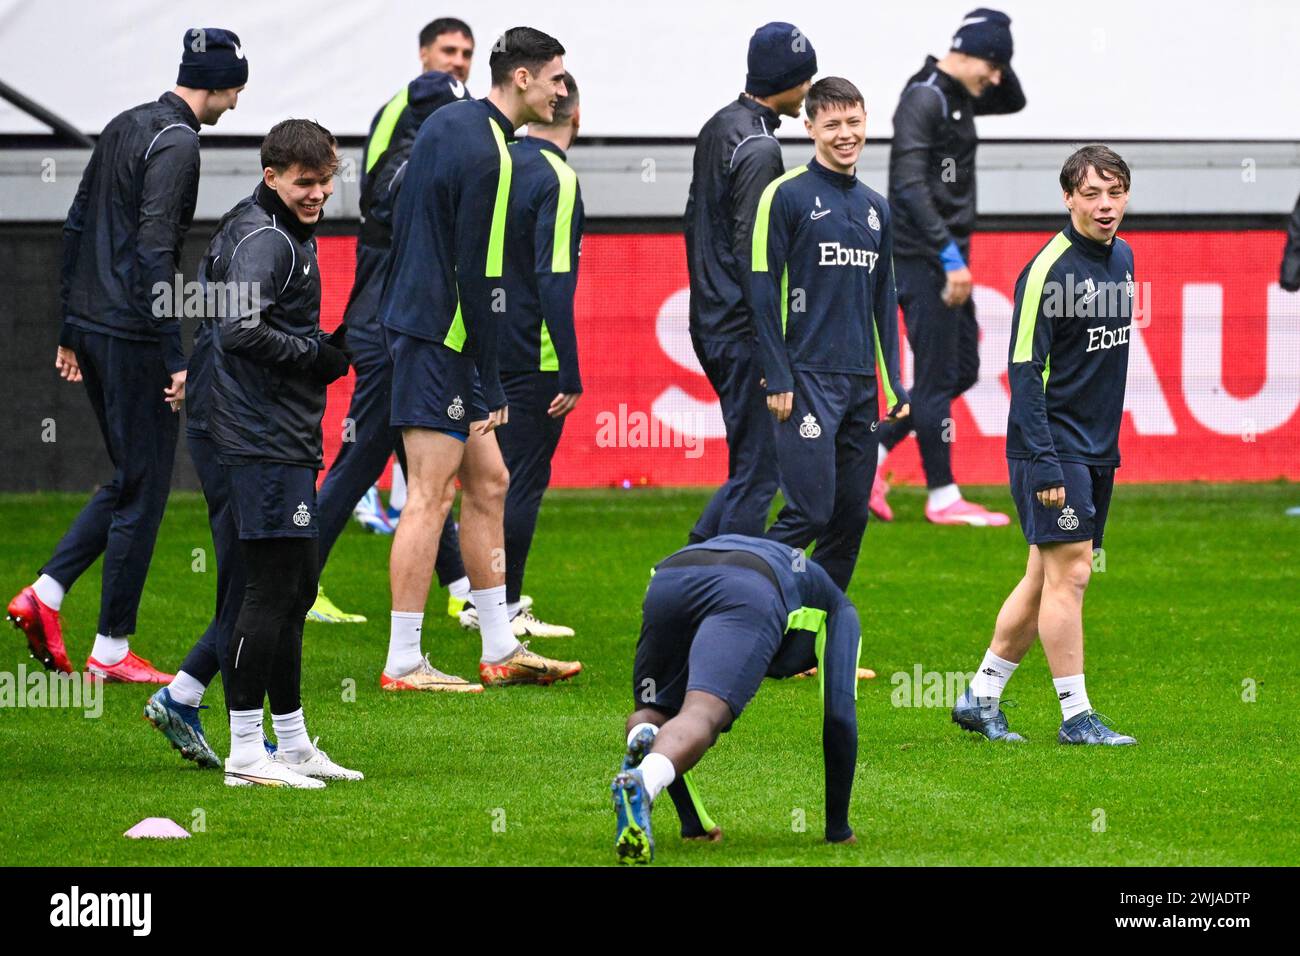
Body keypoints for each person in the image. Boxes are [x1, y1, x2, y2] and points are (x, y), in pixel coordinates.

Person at [7, 29, 247, 682]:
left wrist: (68, 326)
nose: (236, 104)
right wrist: (176, 357)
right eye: (236, 90)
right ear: (222, 83)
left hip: (94, 324)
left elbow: (77, 224)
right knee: (144, 486)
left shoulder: (123, 125)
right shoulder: (179, 141)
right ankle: (106, 646)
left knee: (130, 476)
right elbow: (153, 254)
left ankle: (53, 597)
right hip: (134, 333)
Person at [379, 26, 581, 691]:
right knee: (429, 497)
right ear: (522, 79)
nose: (563, 90)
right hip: (443, 342)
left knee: (489, 484)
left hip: (423, 331)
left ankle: (499, 645)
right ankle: (404, 661)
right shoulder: (494, 149)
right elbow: (483, 275)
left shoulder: (449, 123)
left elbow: (401, 219)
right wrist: (489, 378)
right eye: (556, 77)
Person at [952, 144, 1138, 746]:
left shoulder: (1124, 258)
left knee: (1043, 574)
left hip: (1095, 447)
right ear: (1068, 198)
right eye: (1091, 194)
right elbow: (1024, 371)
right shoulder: (1048, 270)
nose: (1105, 205)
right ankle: (1076, 717)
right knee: (1073, 574)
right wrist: (1044, 460)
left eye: (1114, 193)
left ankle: (981, 697)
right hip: (1052, 447)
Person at [310, 16, 479, 625]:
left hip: (395, 317)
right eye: (447, 51)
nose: (456, 61)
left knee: (421, 466)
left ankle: (461, 586)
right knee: (365, 459)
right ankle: (296, 583)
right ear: (423, 53)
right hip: (387, 320)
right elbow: (379, 200)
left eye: (465, 52)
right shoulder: (404, 112)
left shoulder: (444, 119)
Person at [210, 119, 363, 786]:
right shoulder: (264, 237)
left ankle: (293, 743)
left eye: (326, 181)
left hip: (277, 433)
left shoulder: (272, 228)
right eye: (306, 183)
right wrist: (318, 357)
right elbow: (239, 329)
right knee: (269, 590)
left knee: (295, 587)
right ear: (271, 175)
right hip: (263, 438)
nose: (319, 194)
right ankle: (246, 752)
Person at [610, 534, 863, 864]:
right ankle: (643, 782)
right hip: (749, 586)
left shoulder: (800, 573)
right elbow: (840, 717)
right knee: (702, 714)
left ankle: (645, 748)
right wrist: (838, 830)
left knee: (653, 711)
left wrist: (694, 824)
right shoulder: (840, 609)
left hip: (670, 577)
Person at [750, 77, 909, 591]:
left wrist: (895, 383)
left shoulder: (876, 208)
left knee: (849, 521)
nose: (846, 134)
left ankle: (802, 653)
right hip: (805, 382)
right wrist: (777, 373)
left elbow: (883, 301)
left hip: (862, 386)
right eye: (833, 124)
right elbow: (760, 287)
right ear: (810, 126)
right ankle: (739, 603)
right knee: (811, 512)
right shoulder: (786, 195)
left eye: (854, 122)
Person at [872, 8, 1026, 526]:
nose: (997, 79)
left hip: (943, 256)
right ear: (967, 54)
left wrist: (992, 32)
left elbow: (1014, 98)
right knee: (936, 381)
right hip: (923, 257)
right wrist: (949, 256)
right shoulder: (926, 97)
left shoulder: (961, 93)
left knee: (962, 369)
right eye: (994, 65)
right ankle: (942, 497)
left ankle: (866, 461)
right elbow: (909, 185)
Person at [683, 22, 817, 544]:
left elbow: (693, 222)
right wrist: (772, 344)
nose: (809, 93)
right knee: (760, 474)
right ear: (789, 80)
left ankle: (688, 565)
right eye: (805, 80)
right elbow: (755, 255)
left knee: (750, 466)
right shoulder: (761, 149)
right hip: (741, 329)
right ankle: (722, 591)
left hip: (712, 320)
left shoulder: (720, 125)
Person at [480, 71, 583, 639]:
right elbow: (555, 276)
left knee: (482, 483)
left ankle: (484, 599)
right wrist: (569, 366)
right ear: (577, 119)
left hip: (474, 343)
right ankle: (505, 604)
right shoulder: (557, 178)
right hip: (531, 355)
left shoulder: (494, 159)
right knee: (519, 481)